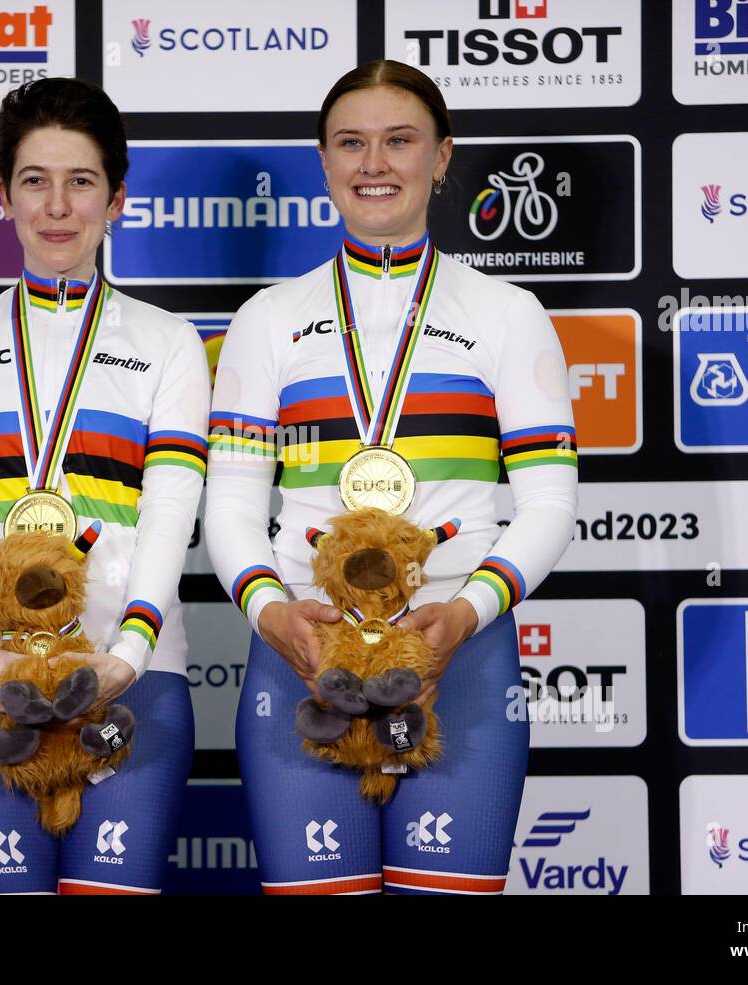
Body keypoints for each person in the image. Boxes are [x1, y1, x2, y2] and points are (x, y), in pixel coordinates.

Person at [205, 60, 578, 895]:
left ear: (443, 156)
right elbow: (229, 504)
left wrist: (467, 611)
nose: (375, 163)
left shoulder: (507, 313)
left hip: (463, 651)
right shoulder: (266, 320)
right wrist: (272, 615)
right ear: (325, 161)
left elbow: (550, 504)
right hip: (302, 650)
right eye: (351, 143)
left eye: (399, 141)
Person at [0, 78, 209, 895]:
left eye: (82, 181)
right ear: (3, 195)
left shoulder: (170, 342)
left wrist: (128, 653)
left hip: (134, 677)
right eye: (35, 180)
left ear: (117, 198)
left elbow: (172, 510)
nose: (58, 205)